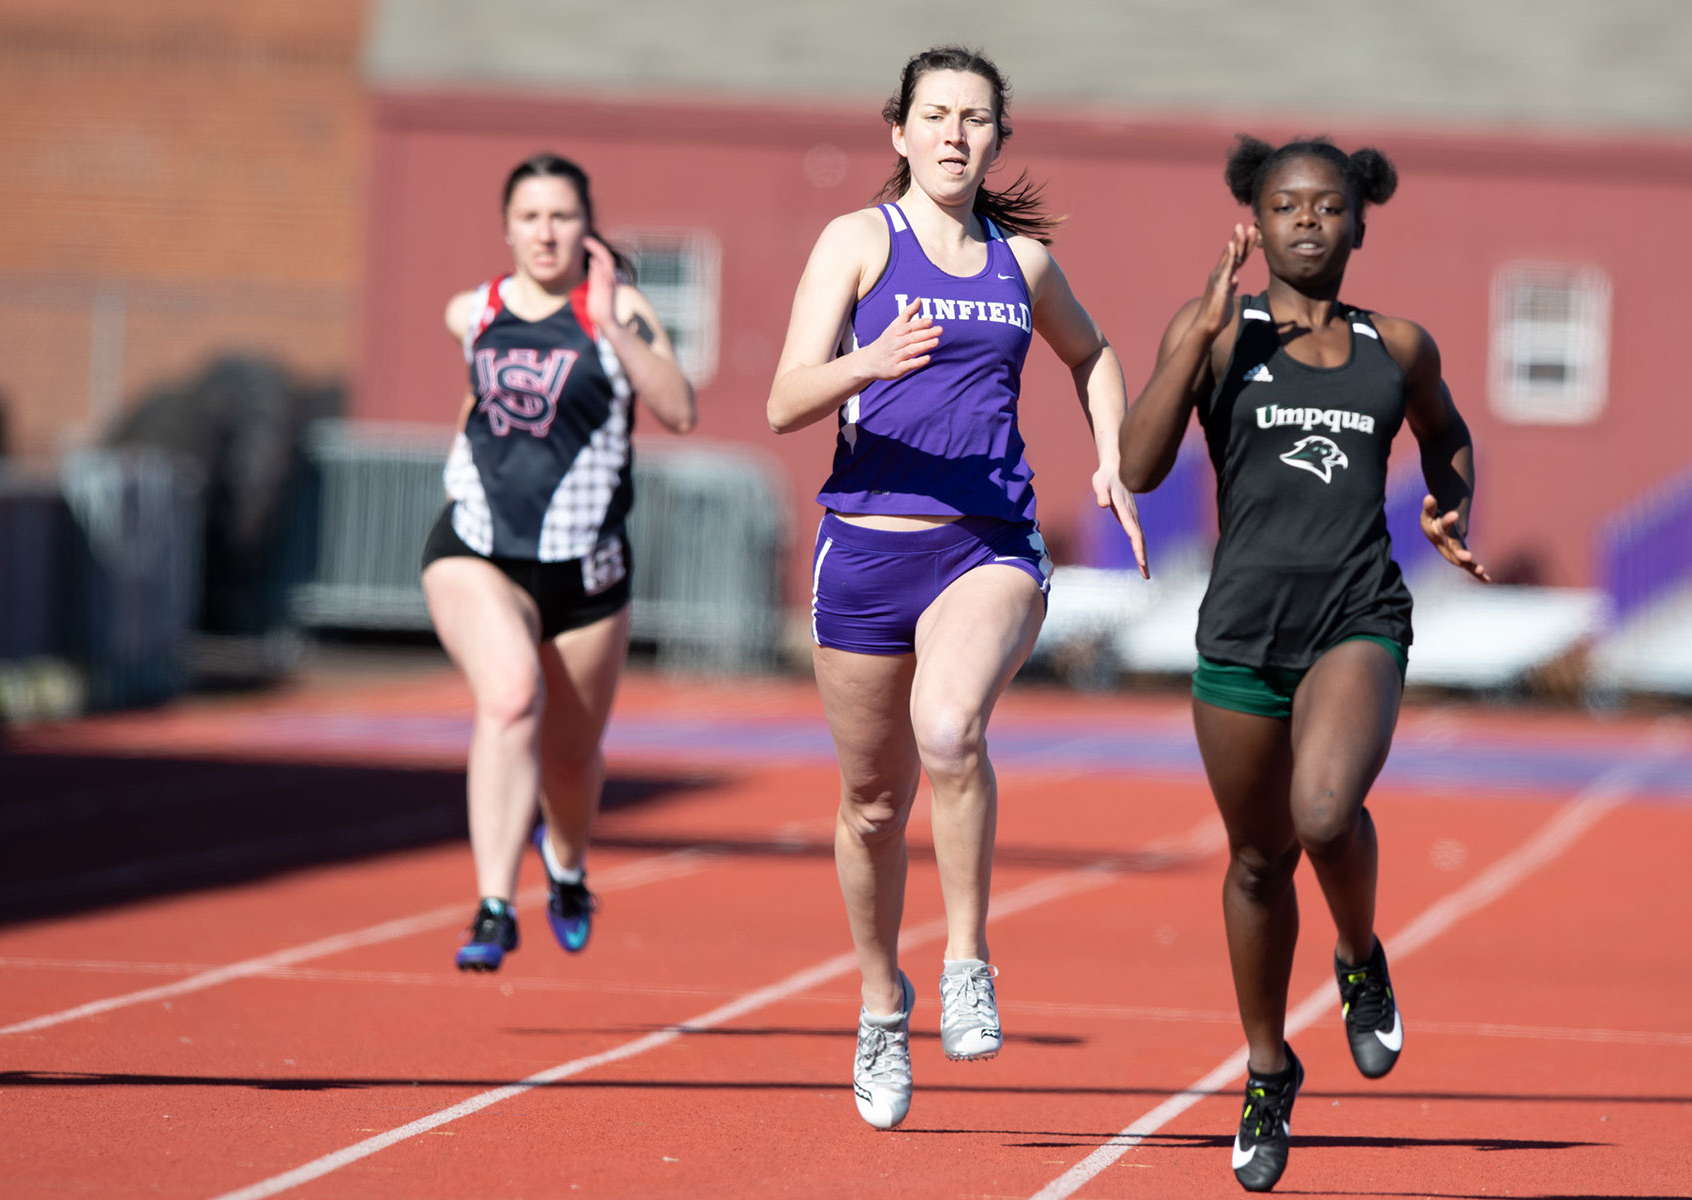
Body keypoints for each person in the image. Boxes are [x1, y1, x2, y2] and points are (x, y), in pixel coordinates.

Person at [767, 46, 1147, 1130]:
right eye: (935, 115)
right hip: (864, 555)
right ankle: (880, 1002)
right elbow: (784, 401)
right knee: (872, 805)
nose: (953, 134)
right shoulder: (855, 242)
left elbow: (1095, 354)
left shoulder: (1019, 266)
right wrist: (867, 362)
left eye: (975, 118)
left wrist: (1111, 455)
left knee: (949, 733)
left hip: (986, 544)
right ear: (898, 131)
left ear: (997, 140)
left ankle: (968, 960)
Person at [1120, 135, 1490, 1191]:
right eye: (1287, 206)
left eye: (1328, 206)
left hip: (1355, 618)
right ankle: (1270, 1067)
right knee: (1254, 861)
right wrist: (1192, 336)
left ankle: (1361, 958)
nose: (1308, 222)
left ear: (1358, 220)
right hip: (1240, 632)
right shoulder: (1220, 335)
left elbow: (1448, 434)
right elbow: (1140, 467)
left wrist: (1450, 503)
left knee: (1324, 812)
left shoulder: (1396, 345)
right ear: (1256, 217)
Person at [422, 153, 696, 972]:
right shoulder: (474, 310)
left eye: (563, 216)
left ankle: (567, 870)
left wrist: (611, 321)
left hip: (586, 570)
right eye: (531, 217)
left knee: (572, 759)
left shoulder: (622, 311)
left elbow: (679, 410)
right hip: (477, 551)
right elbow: (480, 398)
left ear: (587, 227)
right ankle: (494, 903)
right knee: (509, 699)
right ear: (507, 228)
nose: (547, 233)